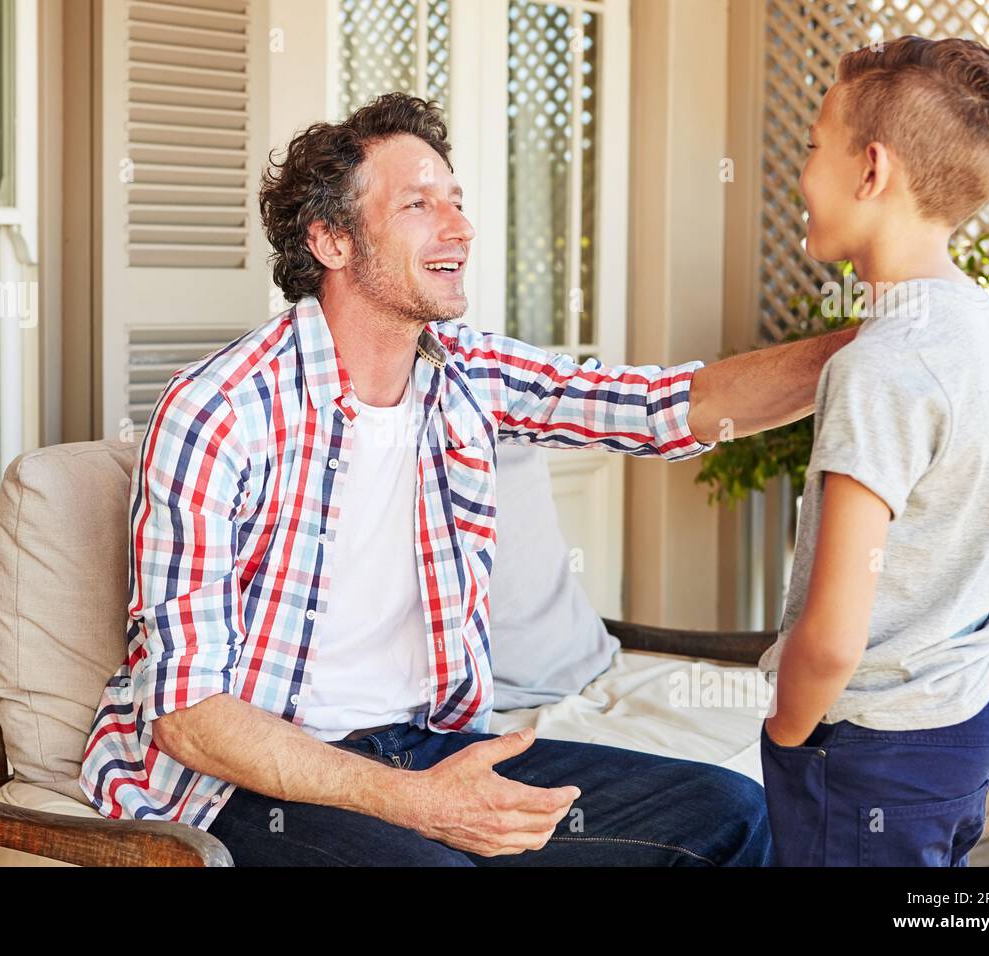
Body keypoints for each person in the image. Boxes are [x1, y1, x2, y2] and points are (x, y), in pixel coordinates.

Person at [79, 92, 857, 866]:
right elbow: (191, 715)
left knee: (727, 812)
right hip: (242, 783)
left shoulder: (465, 371)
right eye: (419, 204)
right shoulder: (220, 412)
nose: (460, 227)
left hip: (426, 746)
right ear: (331, 241)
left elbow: (661, 407)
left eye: (456, 202)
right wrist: (419, 805)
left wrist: (872, 342)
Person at [757, 36, 989, 866]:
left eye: (811, 149)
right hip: (964, 719)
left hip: (872, 750)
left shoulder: (877, 366)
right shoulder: (973, 319)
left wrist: (788, 731)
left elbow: (836, 635)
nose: (801, 175)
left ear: (870, 171)